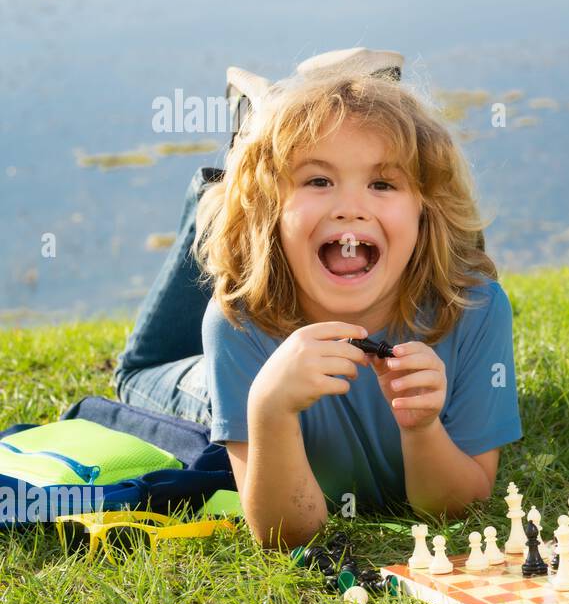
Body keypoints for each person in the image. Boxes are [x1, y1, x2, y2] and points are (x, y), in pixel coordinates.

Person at [112, 56, 520, 549]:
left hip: (413, 248)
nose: (350, 206)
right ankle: (238, 158)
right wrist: (269, 407)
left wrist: (424, 426)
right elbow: (284, 535)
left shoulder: (474, 308)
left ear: (423, 211)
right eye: (318, 180)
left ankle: (281, 126)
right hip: (242, 331)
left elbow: (461, 508)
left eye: (383, 183)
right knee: (139, 369)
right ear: (277, 209)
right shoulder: (238, 323)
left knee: (443, 243)